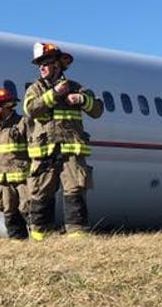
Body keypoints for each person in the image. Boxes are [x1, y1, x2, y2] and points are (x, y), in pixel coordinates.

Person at [22, 42, 104, 240]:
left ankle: (77, 236)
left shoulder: (76, 88)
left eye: (45, 63)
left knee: (75, 190)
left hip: (71, 151)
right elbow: (30, 109)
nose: (41, 67)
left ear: (58, 65)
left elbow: (98, 110)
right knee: (41, 193)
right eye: (39, 64)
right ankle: (41, 237)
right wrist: (54, 94)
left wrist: (82, 100)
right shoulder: (35, 89)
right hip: (44, 152)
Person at [0, 88, 31, 239]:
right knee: (8, 210)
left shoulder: (23, 123)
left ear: (6, 106)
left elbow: (36, 149)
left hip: (24, 179)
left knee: (28, 209)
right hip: (4, 180)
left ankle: (39, 244)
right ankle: (17, 243)